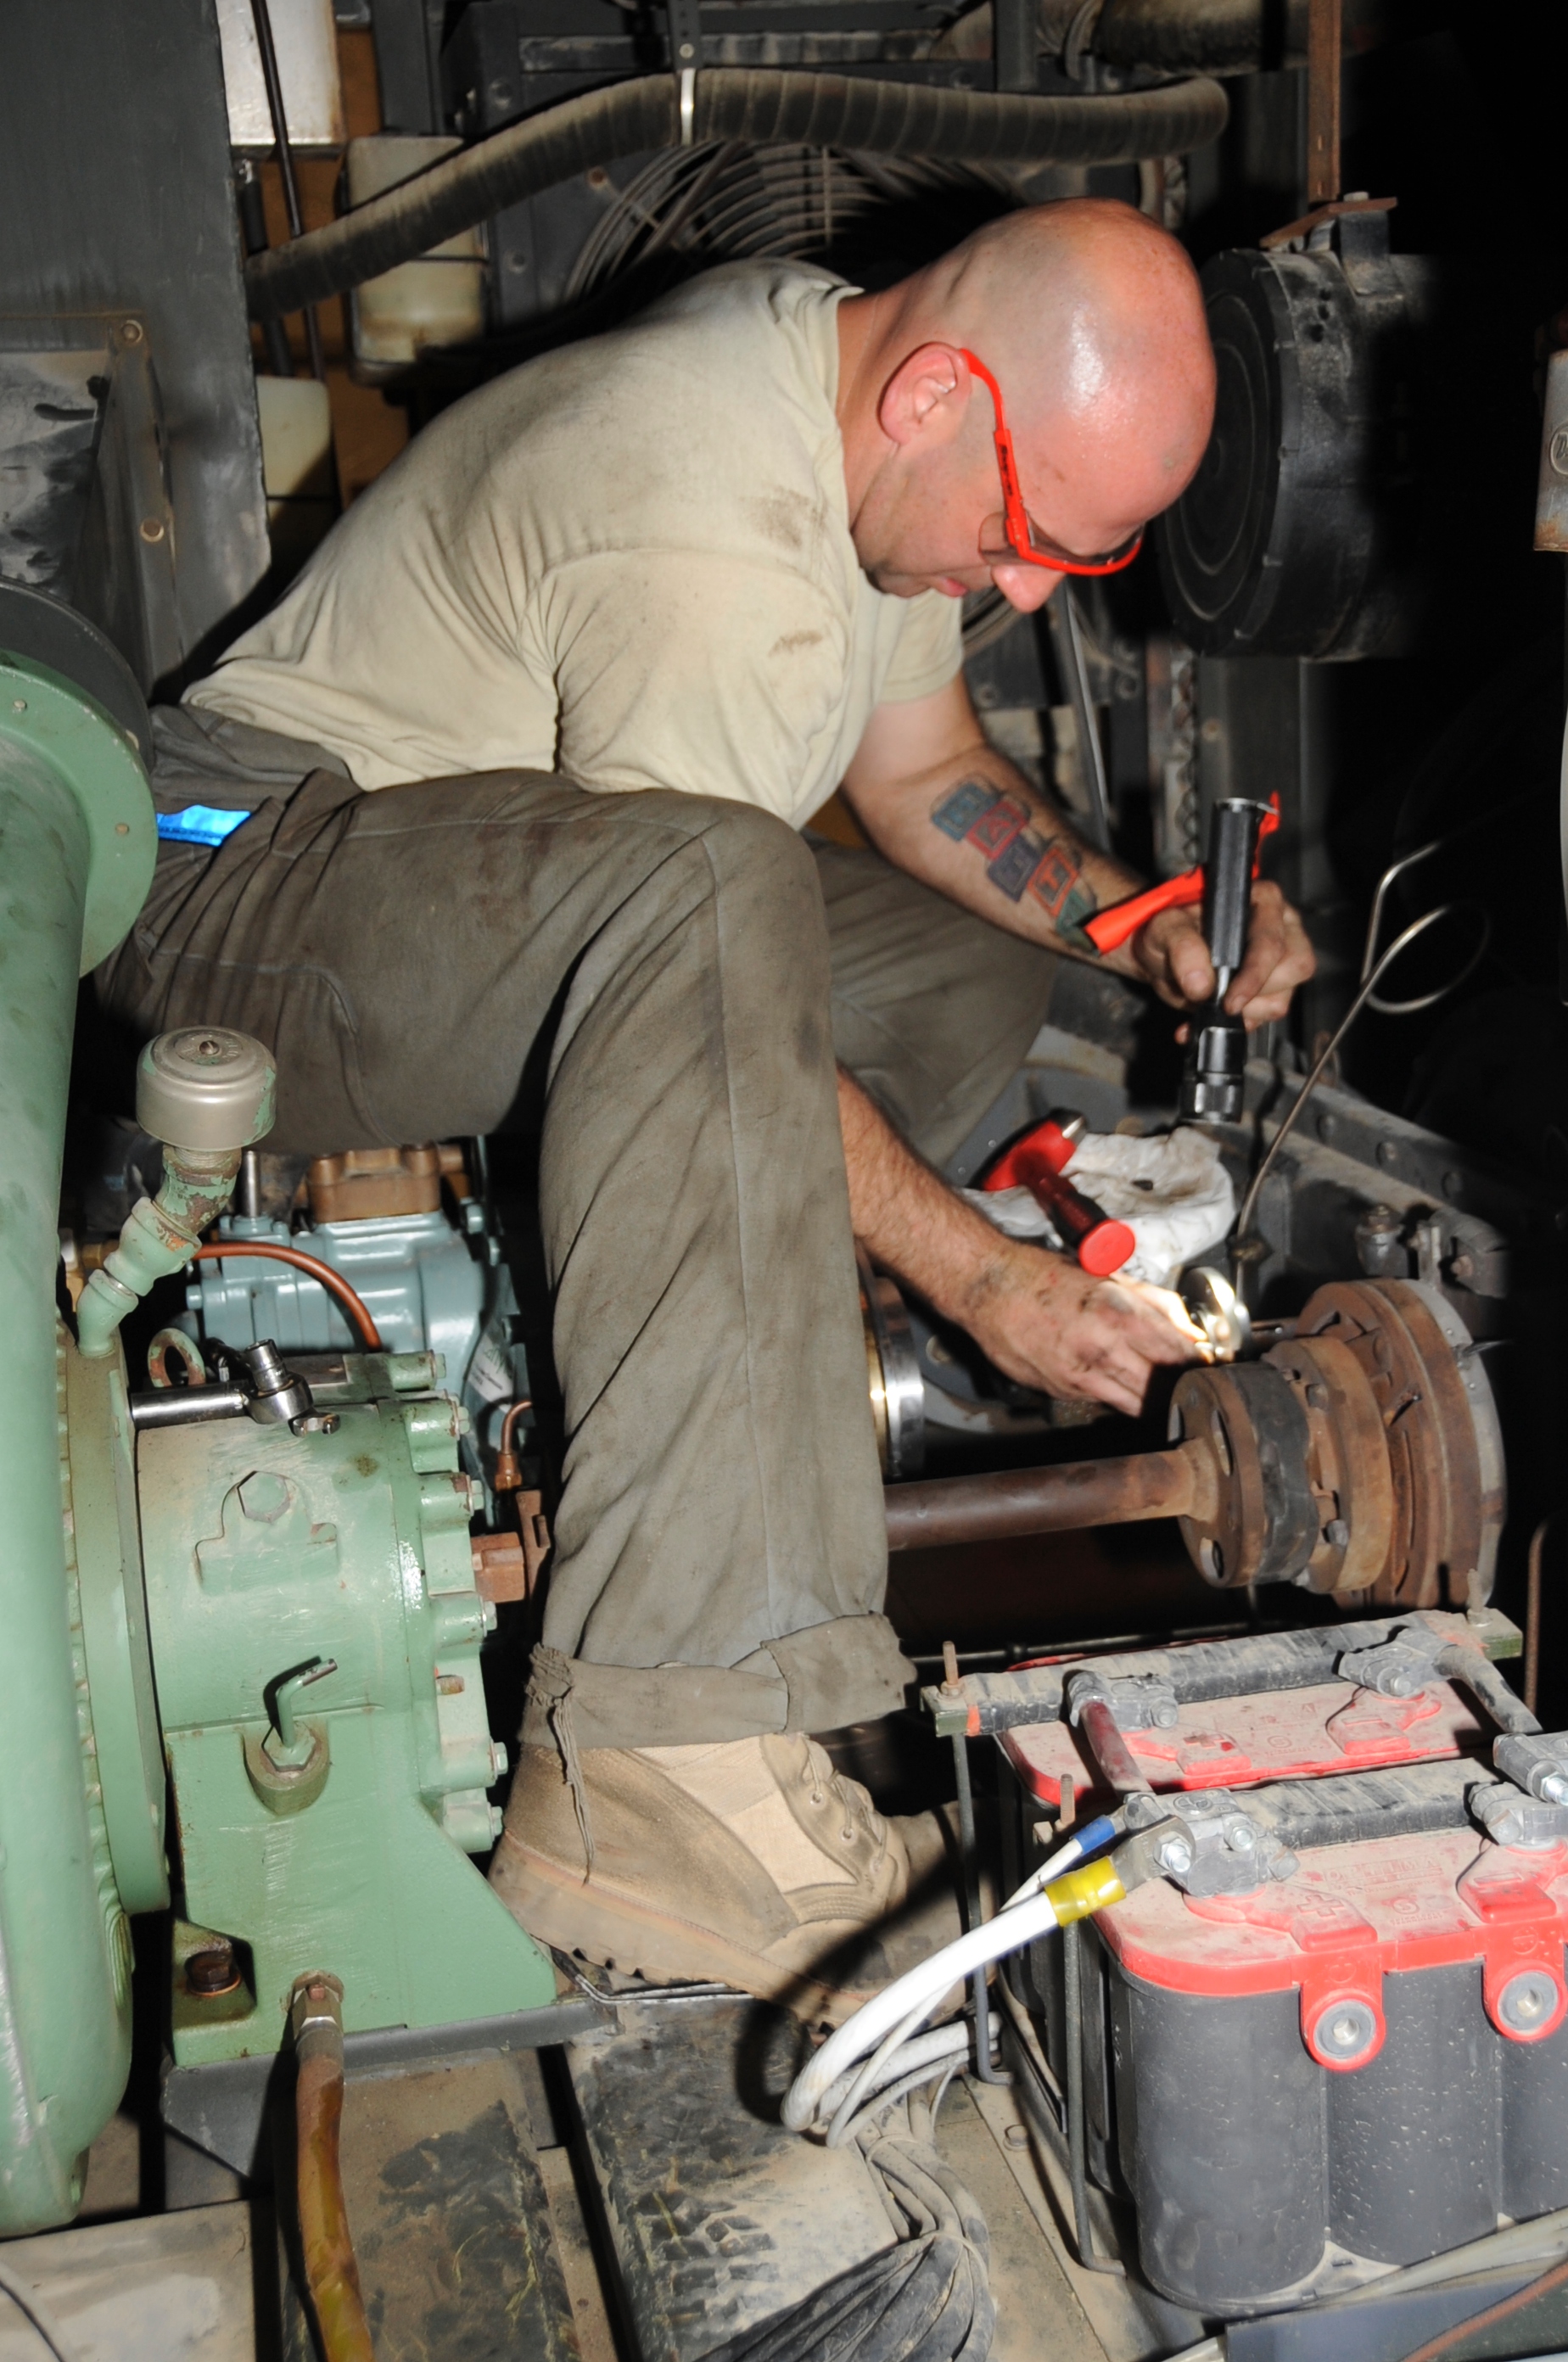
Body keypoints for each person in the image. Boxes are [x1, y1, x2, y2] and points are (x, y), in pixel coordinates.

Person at [98, 196, 1313, 2019]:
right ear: (934, 399)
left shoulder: (838, 383)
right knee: (719, 909)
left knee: (958, 967)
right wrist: (981, 1280)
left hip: (443, 878)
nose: (1034, 590)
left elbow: (926, 780)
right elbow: (706, 965)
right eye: (1032, 539)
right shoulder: (695, 522)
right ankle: (658, 1768)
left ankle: (720, 1346)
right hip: (235, 875)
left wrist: (1132, 926)